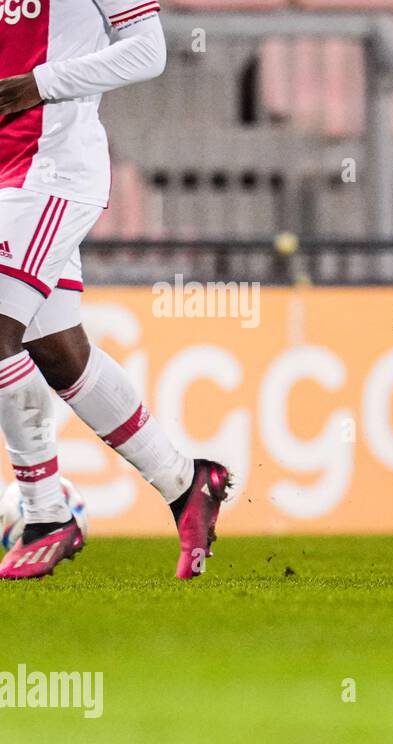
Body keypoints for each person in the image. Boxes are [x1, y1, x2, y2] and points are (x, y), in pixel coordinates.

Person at [0, 0, 230, 580]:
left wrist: (41, 84)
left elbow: (149, 50)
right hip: (9, 174)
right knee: (57, 349)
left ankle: (47, 516)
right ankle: (186, 481)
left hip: (48, 172)